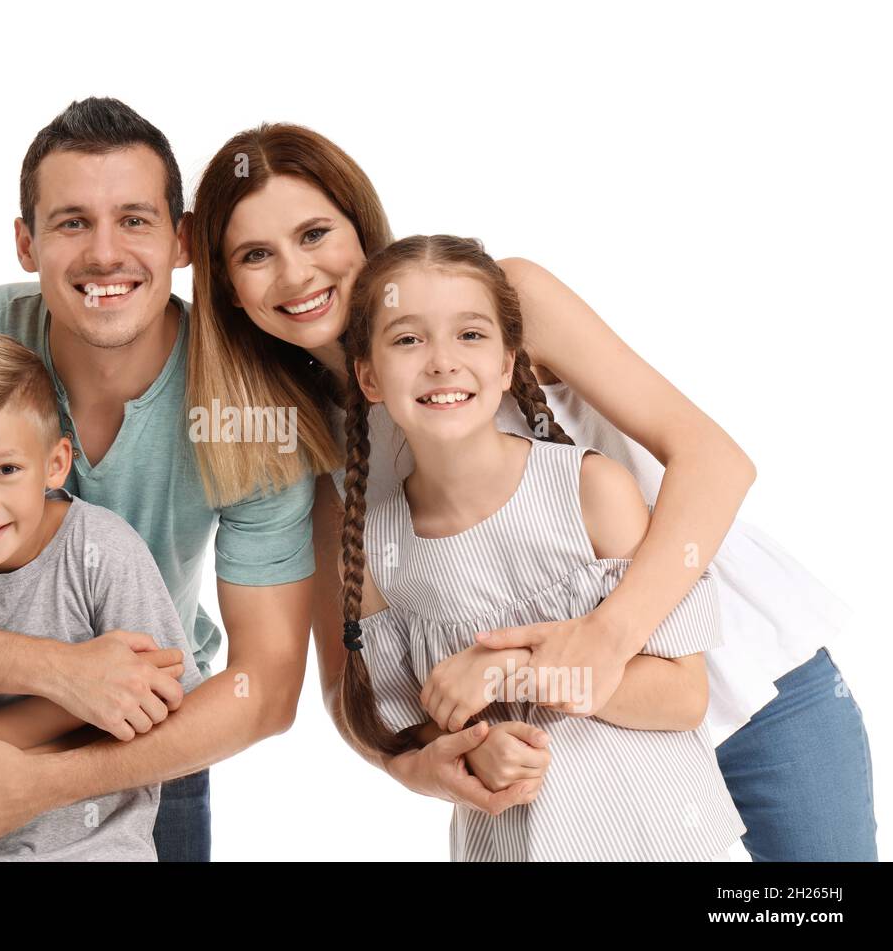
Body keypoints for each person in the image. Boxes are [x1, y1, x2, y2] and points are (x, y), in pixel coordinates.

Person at [186, 123, 876, 860]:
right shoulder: (305, 443)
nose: (297, 275)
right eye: (256, 255)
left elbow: (714, 459)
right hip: (577, 772)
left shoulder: (496, 299)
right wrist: (423, 766)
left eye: (315, 233)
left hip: (741, 681)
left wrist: (605, 640)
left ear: (360, 227)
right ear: (227, 287)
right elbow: (349, 683)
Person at [0, 98, 316, 862]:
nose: (105, 254)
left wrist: (46, 781)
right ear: (25, 243)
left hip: (149, 740)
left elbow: (262, 690)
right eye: (72, 222)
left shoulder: (250, 406)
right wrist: (60, 674)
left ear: (181, 240)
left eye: (134, 219)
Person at [338, 235, 744, 860]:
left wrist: (514, 668)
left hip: (660, 837)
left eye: (470, 335)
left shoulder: (591, 491)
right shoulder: (377, 551)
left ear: (508, 365)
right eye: (408, 339)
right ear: (368, 375)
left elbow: (684, 698)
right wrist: (471, 748)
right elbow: (408, 722)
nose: (442, 361)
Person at [0, 331, 203, 861]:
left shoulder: (103, 552)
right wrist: (78, 696)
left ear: (56, 464)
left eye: (7, 470)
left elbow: (166, 707)